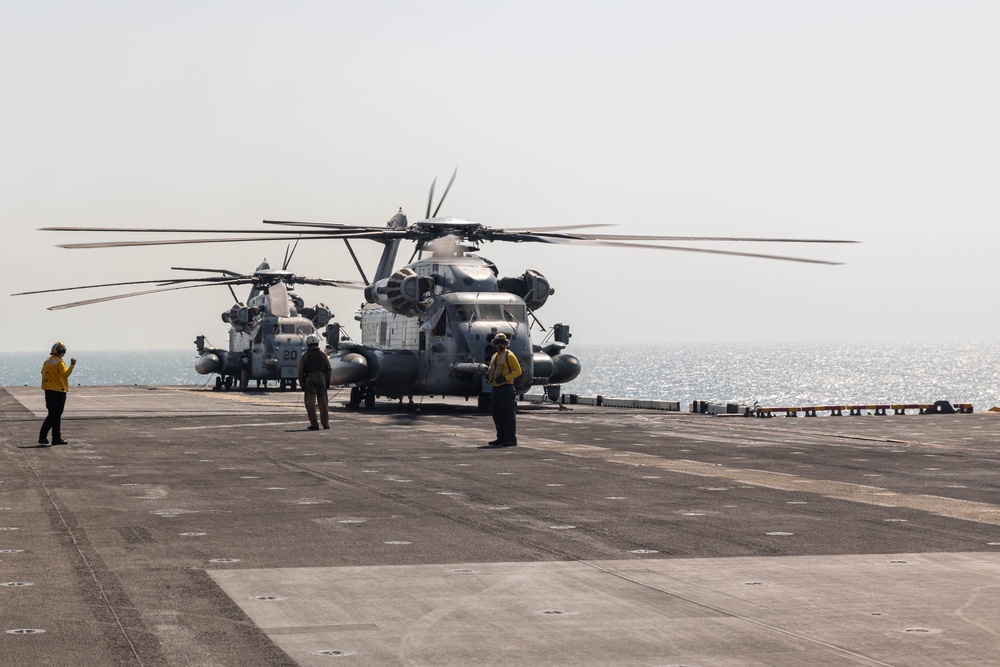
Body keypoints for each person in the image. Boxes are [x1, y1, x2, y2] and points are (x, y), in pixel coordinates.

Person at [483, 333, 521, 448]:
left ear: (506, 344)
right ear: (494, 344)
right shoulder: (495, 356)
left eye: (502, 343)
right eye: (498, 342)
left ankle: (510, 439)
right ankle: (501, 437)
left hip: (506, 388)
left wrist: (505, 378)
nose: (500, 344)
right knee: (497, 414)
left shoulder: (509, 356)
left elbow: (518, 371)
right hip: (496, 388)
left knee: (508, 414)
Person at [39, 342, 76, 445]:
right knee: (56, 416)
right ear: (60, 352)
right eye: (64, 351)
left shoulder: (47, 361)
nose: (64, 353)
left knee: (51, 415)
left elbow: (42, 372)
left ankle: (42, 436)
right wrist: (72, 365)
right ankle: (56, 438)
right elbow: (65, 374)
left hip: (48, 391)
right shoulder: (59, 362)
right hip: (58, 392)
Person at [298, 334, 332, 430]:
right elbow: (329, 369)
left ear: (308, 344)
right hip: (321, 378)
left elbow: (300, 370)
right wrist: (328, 382)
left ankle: (314, 424)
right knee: (323, 403)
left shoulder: (305, 355)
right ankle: (325, 424)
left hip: (310, 379)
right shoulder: (323, 354)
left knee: (310, 403)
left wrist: (302, 384)